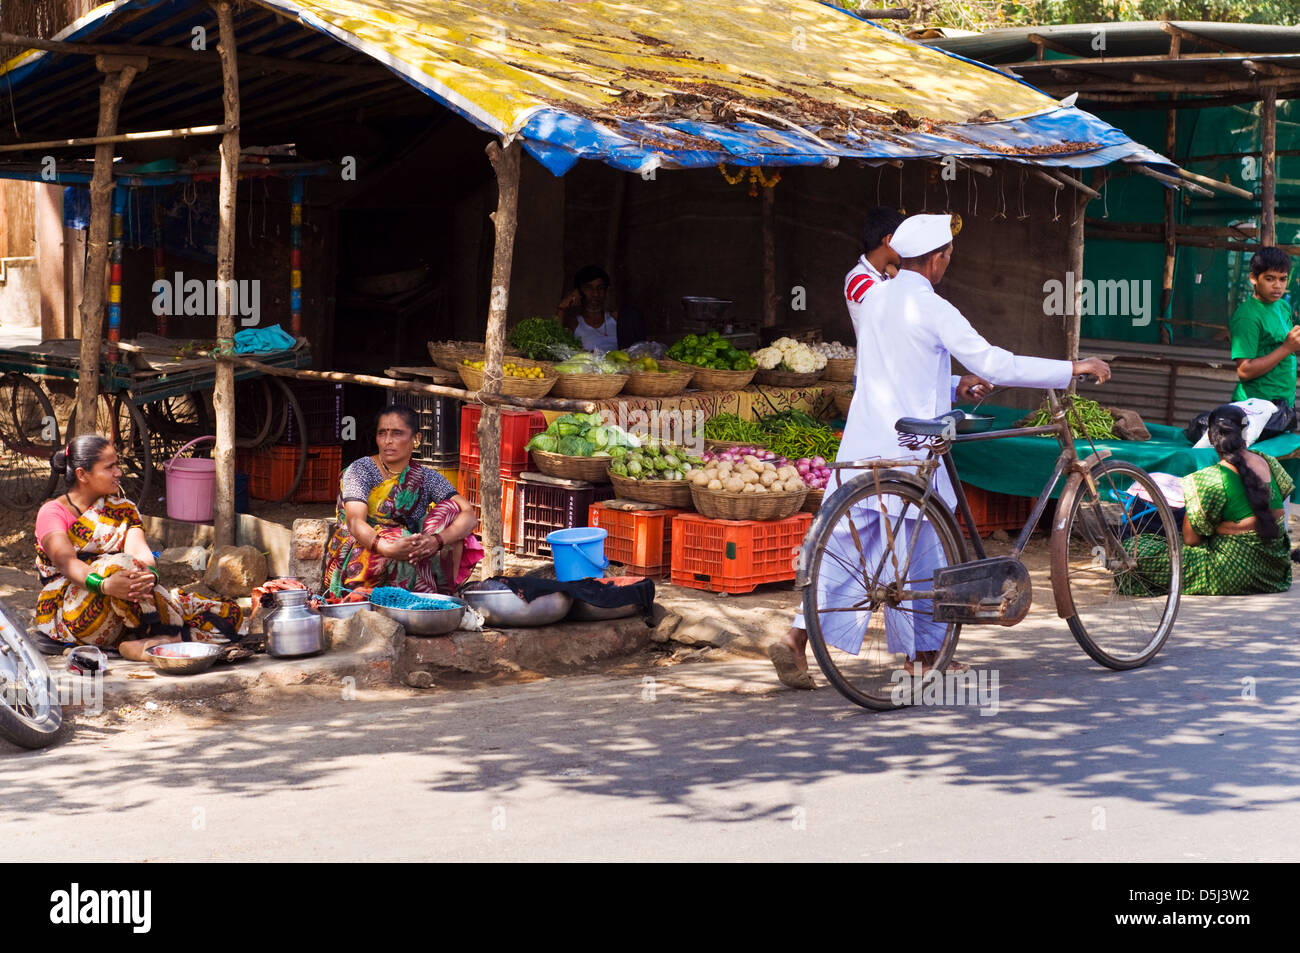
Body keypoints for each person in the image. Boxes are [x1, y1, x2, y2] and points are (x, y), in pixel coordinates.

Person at [768, 213, 1113, 689]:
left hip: (865, 440)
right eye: (948, 256)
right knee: (921, 549)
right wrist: (1072, 366)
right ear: (936, 259)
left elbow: (894, 368)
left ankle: (795, 638)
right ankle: (921, 658)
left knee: (844, 546)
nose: (947, 263)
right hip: (912, 447)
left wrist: (953, 384)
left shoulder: (875, 300)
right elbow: (997, 362)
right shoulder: (934, 308)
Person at [34, 435, 245, 661]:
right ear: (82, 474)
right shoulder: (52, 512)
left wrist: (148, 577)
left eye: (117, 464)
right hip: (77, 610)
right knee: (119, 564)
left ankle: (142, 643)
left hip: (131, 599)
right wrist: (105, 584)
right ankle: (164, 637)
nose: (119, 472)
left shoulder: (124, 509)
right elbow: (67, 563)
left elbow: (142, 555)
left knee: (229, 615)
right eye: (110, 467)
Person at [1123, 404, 1292, 596]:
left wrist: (1222, 528)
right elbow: (1278, 506)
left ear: (1210, 437)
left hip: (1233, 573)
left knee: (1135, 549)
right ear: (1246, 433)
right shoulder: (1269, 462)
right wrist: (1235, 526)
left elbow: (1191, 539)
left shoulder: (1210, 479)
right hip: (1276, 573)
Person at [322, 404, 482, 594]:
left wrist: (435, 540)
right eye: (382, 433)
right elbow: (355, 522)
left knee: (452, 511)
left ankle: (445, 594)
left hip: (412, 551)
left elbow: (469, 515)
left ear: (416, 439)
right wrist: (388, 548)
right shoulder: (362, 470)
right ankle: (411, 597)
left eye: (397, 433)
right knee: (401, 536)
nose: (388, 441)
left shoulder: (426, 477)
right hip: (362, 551)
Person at [1230, 247, 1298, 426]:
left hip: (1284, 403)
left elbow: (1286, 346)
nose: (1277, 286)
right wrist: (1287, 348)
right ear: (1253, 278)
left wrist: (1292, 345)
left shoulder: (1282, 306)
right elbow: (1244, 371)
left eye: (1282, 279)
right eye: (1270, 279)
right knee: (1252, 454)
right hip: (1255, 408)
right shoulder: (1247, 316)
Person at [844, 206, 904, 330]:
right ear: (889, 240)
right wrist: (897, 279)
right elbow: (898, 317)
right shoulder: (858, 279)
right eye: (903, 240)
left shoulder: (886, 275)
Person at [557, 265, 619, 352]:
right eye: (589, 288)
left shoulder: (616, 318)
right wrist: (562, 309)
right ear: (578, 292)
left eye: (600, 288)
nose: (595, 294)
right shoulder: (574, 323)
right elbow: (555, 345)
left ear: (606, 292)